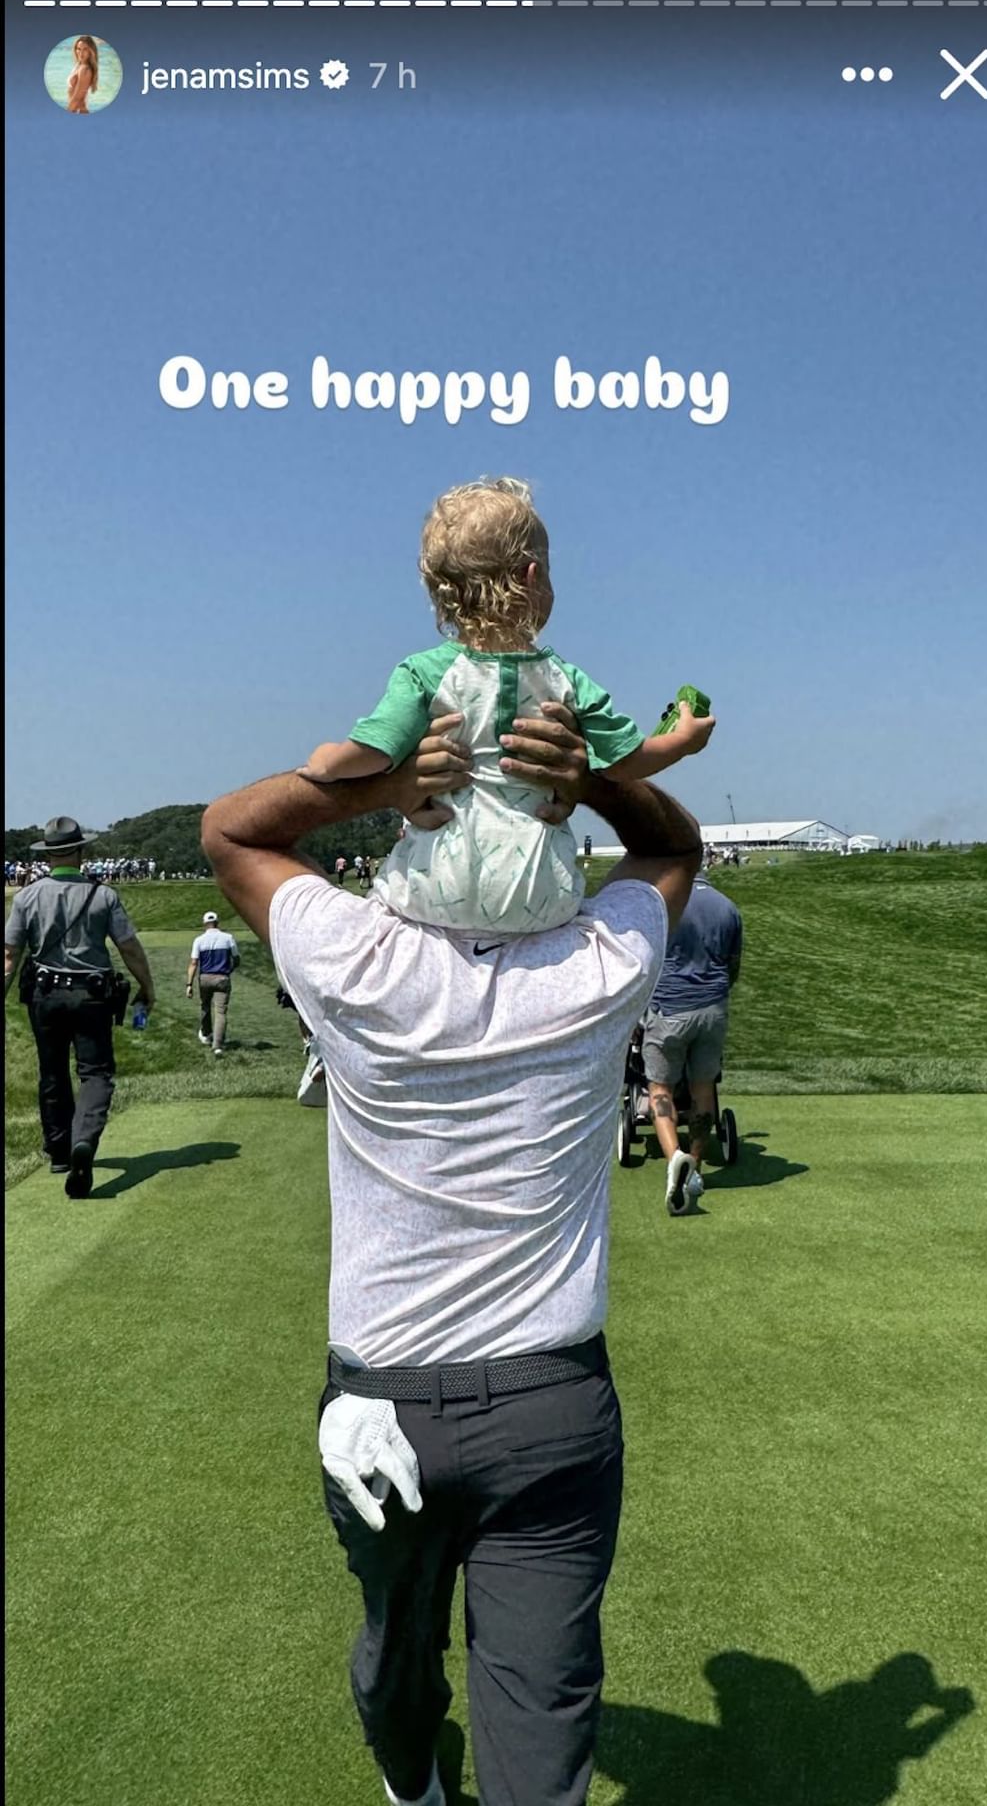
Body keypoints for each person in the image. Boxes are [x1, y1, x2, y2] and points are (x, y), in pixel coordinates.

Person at [201, 706, 703, 1806]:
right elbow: (672, 847)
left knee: (398, 1644)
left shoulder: (353, 955)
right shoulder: (596, 962)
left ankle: (413, 1784)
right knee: (543, 1697)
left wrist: (381, 783)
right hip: (550, 1399)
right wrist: (591, 774)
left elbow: (231, 829)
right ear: (548, 846)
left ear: (415, 843)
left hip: (382, 1405)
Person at [299, 477, 714, 936]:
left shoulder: (423, 673)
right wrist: (683, 740)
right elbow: (626, 763)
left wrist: (327, 760)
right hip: (543, 896)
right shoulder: (566, 680)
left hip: (436, 889)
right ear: (533, 577)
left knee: (388, 897)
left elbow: (373, 751)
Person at [3, 815, 156, 1196]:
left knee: (52, 1072)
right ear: (81, 852)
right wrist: (146, 986)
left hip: (45, 994)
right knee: (95, 1073)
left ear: (47, 854)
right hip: (92, 994)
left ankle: (59, 1152)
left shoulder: (26, 897)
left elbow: (9, 956)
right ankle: (83, 1139)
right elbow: (129, 947)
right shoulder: (103, 895)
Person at [641, 869, 743, 1216]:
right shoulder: (727, 907)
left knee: (660, 1089)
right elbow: (733, 966)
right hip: (713, 1010)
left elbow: (646, 962)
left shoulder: (664, 905)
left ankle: (675, 1159)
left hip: (669, 1008)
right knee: (703, 1087)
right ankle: (695, 1168)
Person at [185, 910, 240, 1056]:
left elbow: (193, 963)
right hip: (222, 978)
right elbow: (236, 959)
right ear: (217, 923)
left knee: (205, 1006)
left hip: (205, 978)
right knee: (220, 1012)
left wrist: (189, 984)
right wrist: (229, 969)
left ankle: (206, 1034)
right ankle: (217, 1046)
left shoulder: (199, 940)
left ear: (204, 924)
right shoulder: (228, 938)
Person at [67, 35, 99, 114]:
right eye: (78, 49)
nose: (81, 53)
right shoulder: (79, 65)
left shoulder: (85, 69)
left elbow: (77, 99)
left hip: (79, 111)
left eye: (85, 49)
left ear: (91, 51)